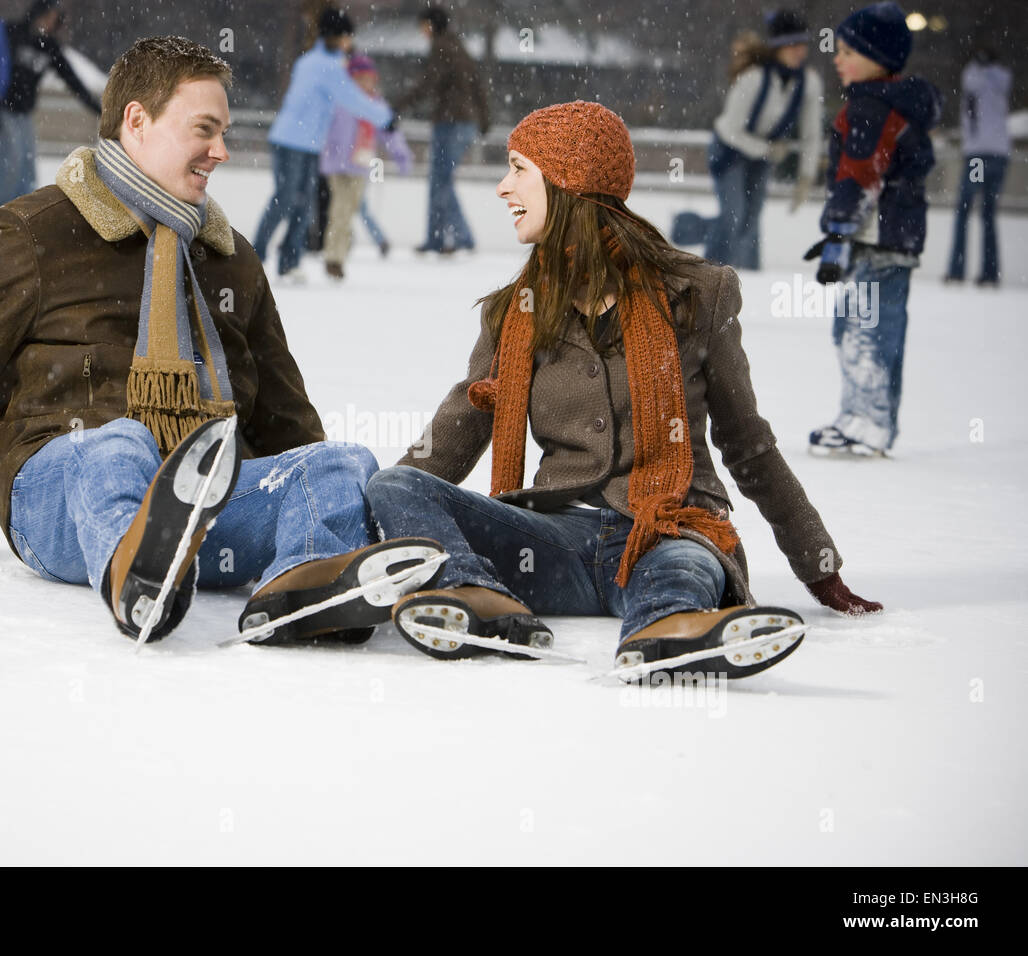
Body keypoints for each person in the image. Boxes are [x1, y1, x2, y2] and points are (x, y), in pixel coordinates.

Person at [0, 37, 442, 647]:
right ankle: (136, 568)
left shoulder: (229, 258)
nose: (223, 150)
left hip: (205, 498)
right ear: (137, 121)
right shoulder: (32, 236)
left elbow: (286, 419)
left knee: (340, 461)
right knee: (117, 443)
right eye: (204, 129)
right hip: (59, 492)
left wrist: (321, 489)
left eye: (223, 131)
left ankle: (305, 590)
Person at [365, 101, 881, 678]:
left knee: (681, 564)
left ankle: (670, 633)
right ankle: (476, 603)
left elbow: (747, 441)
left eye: (518, 169)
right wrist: (380, 528)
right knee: (394, 483)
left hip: (669, 524)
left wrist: (818, 562)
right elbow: (462, 425)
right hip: (554, 540)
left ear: (567, 181)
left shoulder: (697, 294)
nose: (503, 187)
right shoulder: (515, 312)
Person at [806, 2, 941, 456]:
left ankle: (869, 423)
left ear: (877, 58)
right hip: (889, 240)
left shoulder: (869, 108)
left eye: (847, 51)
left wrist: (837, 231)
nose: (837, 59)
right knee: (867, 329)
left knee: (864, 332)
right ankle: (860, 416)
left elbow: (860, 175)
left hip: (876, 241)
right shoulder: (891, 106)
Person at [252, 8, 392, 283]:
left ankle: (289, 263)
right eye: (346, 37)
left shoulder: (326, 63)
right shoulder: (320, 66)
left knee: (304, 207)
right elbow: (351, 98)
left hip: (309, 145)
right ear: (336, 37)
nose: (349, 43)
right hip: (289, 141)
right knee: (285, 200)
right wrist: (385, 118)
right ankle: (255, 256)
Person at [697, 10, 823, 270]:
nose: (799, 51)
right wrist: (766, 148)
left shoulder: (809, 84)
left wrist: (806, 177)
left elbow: (812, 134)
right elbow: (730, 128)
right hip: (728, 150)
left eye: (803, 44)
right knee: (734, 215)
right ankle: (712, 271)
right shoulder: (753, 78)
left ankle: (748, 275)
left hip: (762, 156)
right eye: (792, 45)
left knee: (751, 218)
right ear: (777, 47)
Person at [391, 6, 490, 255]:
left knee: (441, 181)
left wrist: (397, 106)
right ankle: (437, 238)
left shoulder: (442, 47)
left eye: (423, 25)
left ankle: (461, 237)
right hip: (464, 122)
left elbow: (428, 82)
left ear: (432, 25)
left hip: (451, 123)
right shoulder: (459, 47)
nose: (422, 31)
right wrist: (484, 118)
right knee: (440, 181)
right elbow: (477, 84)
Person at [0, 0, 102, 207]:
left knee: (27, 164)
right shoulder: (13, 33)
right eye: (48, 16)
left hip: (24, 112)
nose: (50, 22)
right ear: (37, 14)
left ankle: (20, 214)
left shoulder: (50, 47)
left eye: (55, 19)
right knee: (10, 162)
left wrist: (99, 109)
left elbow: (73, 81)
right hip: (2, 109)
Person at [319, 55, 412, 280]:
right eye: (360, 78)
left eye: (369, 78)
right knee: (339, 210)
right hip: (336, 165)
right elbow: (322, 126)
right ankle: (334, 257)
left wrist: (401, 156)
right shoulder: (340, 102)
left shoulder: (375, 105)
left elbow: (390, 133)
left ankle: (340, 249)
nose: (365, 83)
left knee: (347, 211)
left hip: (360, 166)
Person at [943, 46, 1012, 288]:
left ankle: (956, 269)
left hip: (978, 155)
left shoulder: (973, 77)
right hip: (1000, 153)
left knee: (963, 211)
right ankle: (990, 273)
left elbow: (970, 110)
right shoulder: (1003, 79)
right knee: (988, 215)